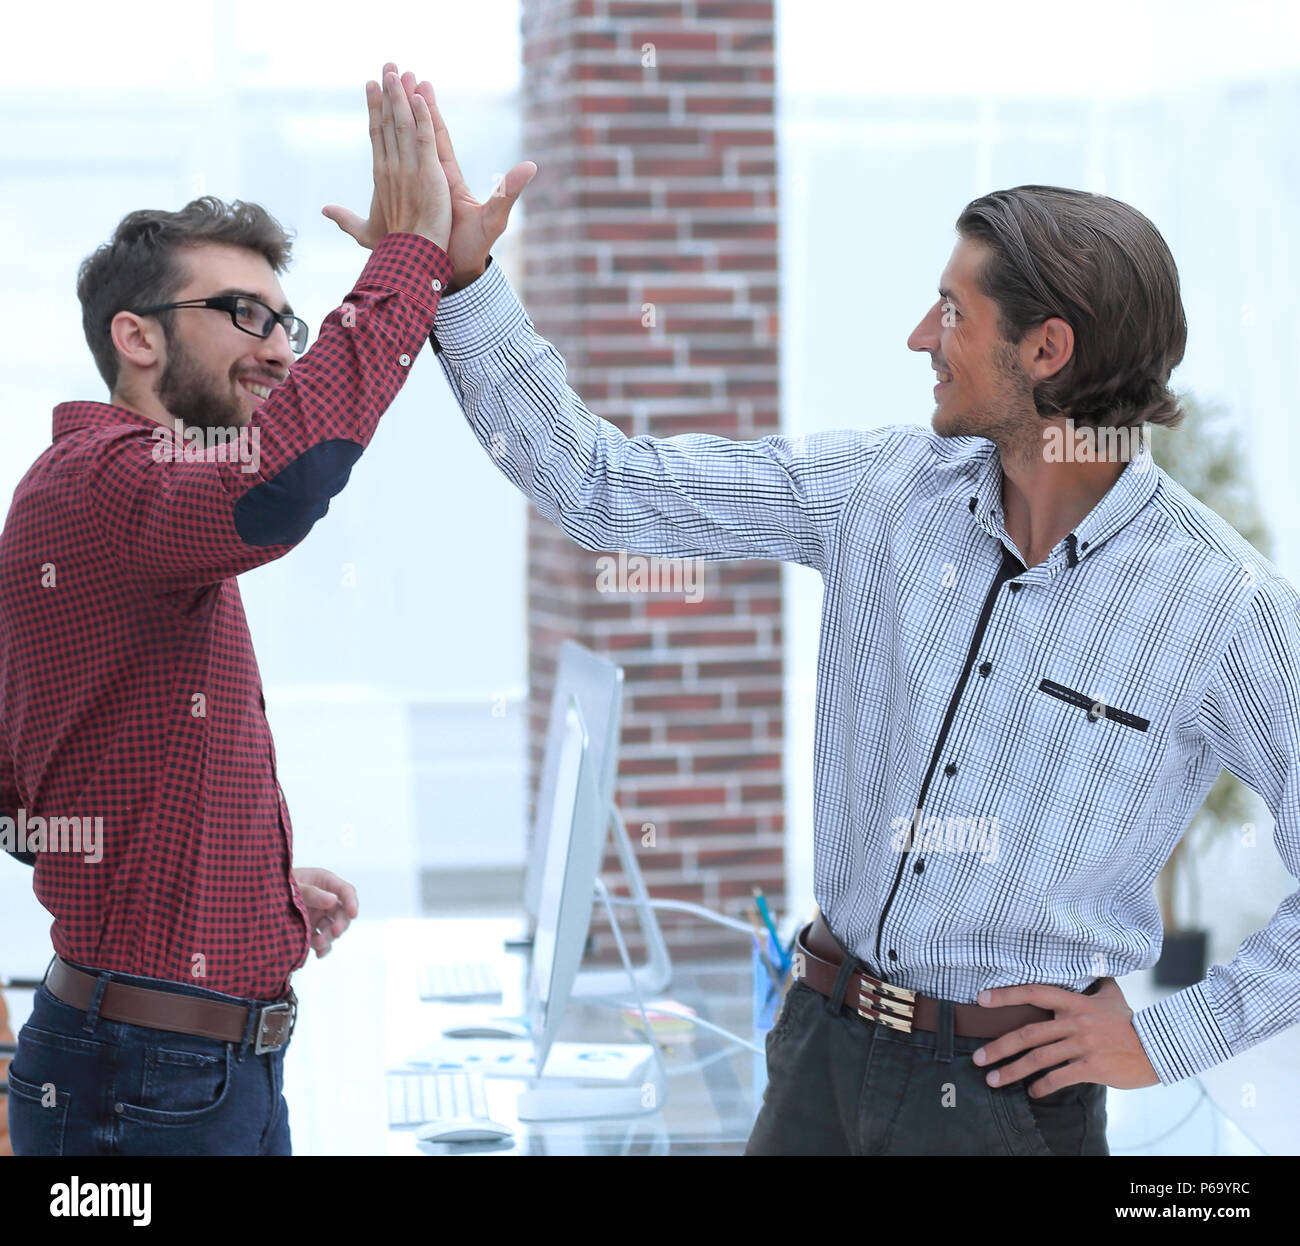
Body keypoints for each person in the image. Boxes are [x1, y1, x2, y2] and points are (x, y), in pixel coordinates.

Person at [376, 75, 1300, 1155]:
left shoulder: (1221, 605)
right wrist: (468, 281)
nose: (920, 335)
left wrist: (1170, 1035)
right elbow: (602, 484)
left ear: (1047, 351)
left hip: (1000, 1101)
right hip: (819, 1049)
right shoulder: (876, 489)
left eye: (954, 310)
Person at [0, 64, 462, 1156]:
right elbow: (283, 481)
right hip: (145, 1086)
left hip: (171, 1067)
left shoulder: (108, 503)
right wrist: (411, 260)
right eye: (241, 313)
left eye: (286, 317)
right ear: (137, 337)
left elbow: (27, 801)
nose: (279, 345)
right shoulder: (111, 481)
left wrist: (231, 888)